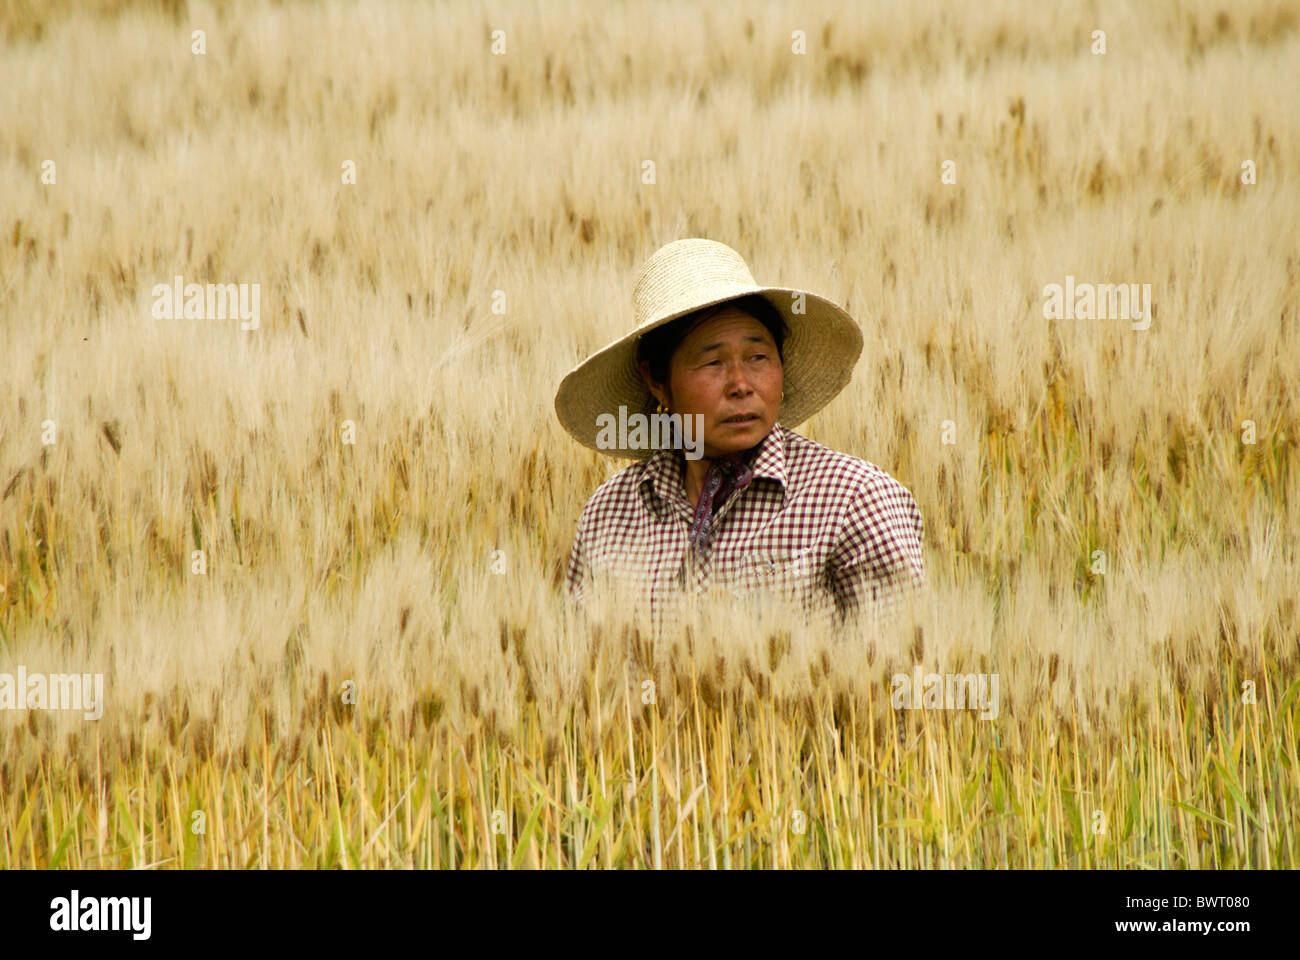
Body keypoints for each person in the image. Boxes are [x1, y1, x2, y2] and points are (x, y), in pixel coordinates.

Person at [554, 237, 925, 633]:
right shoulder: (611, 512)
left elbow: (898, 668)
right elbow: (585, 675)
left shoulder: (854, 498)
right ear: (657, 381)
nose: (740, 384)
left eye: (758, 358)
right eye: (713, 362)